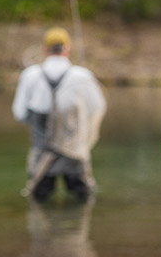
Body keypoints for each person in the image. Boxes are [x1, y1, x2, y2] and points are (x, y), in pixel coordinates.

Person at [12, 27, 107, 202]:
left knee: (39, 201)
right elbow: (97, 109)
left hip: (42, 156)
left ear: (44, 49)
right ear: (68, 48)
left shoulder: (30, 75)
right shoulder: (82, 75)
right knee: (83, 199)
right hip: (74, 154)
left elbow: (19, 113)